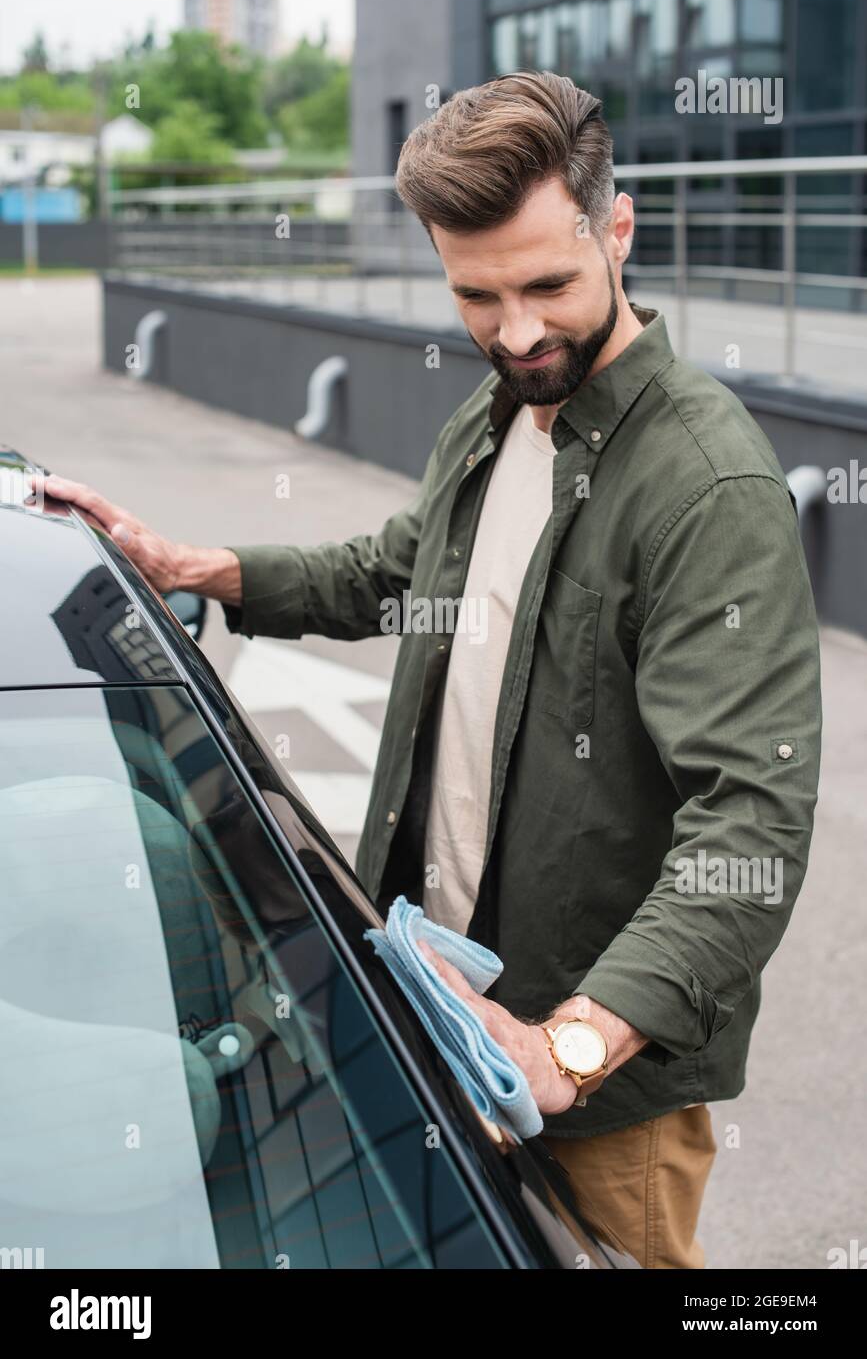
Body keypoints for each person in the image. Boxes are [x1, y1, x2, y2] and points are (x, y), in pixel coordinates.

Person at [38, 72, 822, 1269]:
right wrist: (192, 561)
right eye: (477, 296)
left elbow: (752, 824)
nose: (515, 333)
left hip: (595, 1095)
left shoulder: (707, 489)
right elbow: (400, 569)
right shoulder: (501, 410)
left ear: (617, 230)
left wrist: (565, 1049)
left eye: (549, 286)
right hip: (434, 1009)